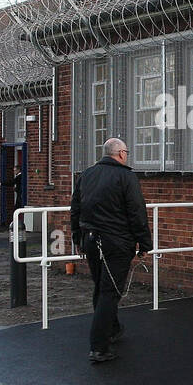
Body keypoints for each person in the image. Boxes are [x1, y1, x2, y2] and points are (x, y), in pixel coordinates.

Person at [70, 137, 152, 364]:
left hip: (90, 239)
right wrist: (145, 243)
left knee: (102, 287)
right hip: (116, 243)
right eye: (127, 152)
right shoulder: (126, 177)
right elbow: (137, 212)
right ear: (121, 154)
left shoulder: (86, 175)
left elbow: (75, 208)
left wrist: (77, 237)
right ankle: (99, 347)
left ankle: (112, 329)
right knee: (109, 292)